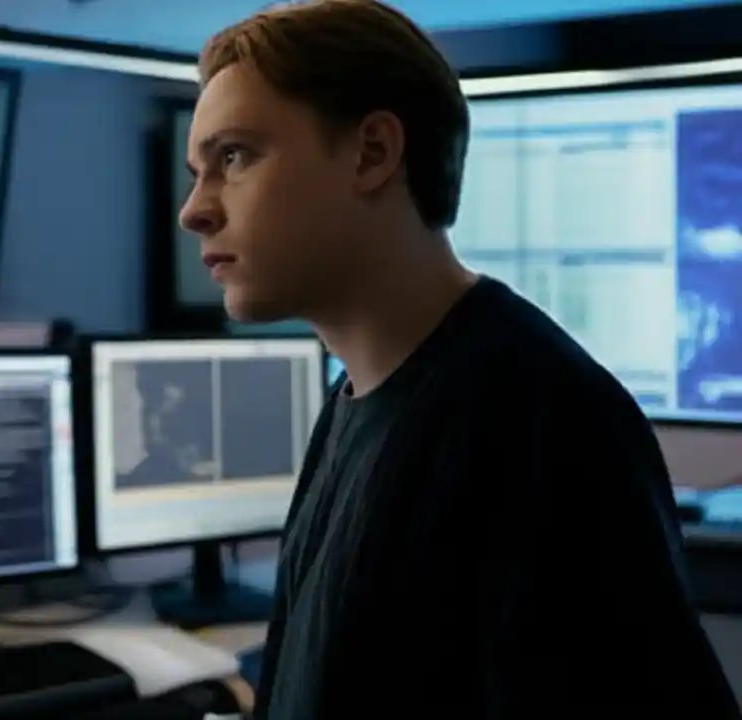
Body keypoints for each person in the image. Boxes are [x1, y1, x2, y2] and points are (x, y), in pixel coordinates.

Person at [178, 0, 741, 717]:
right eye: (199, 171)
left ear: (373, 152)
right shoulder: (360, 397)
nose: (194, 210)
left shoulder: (535, 421)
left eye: (234, 157)